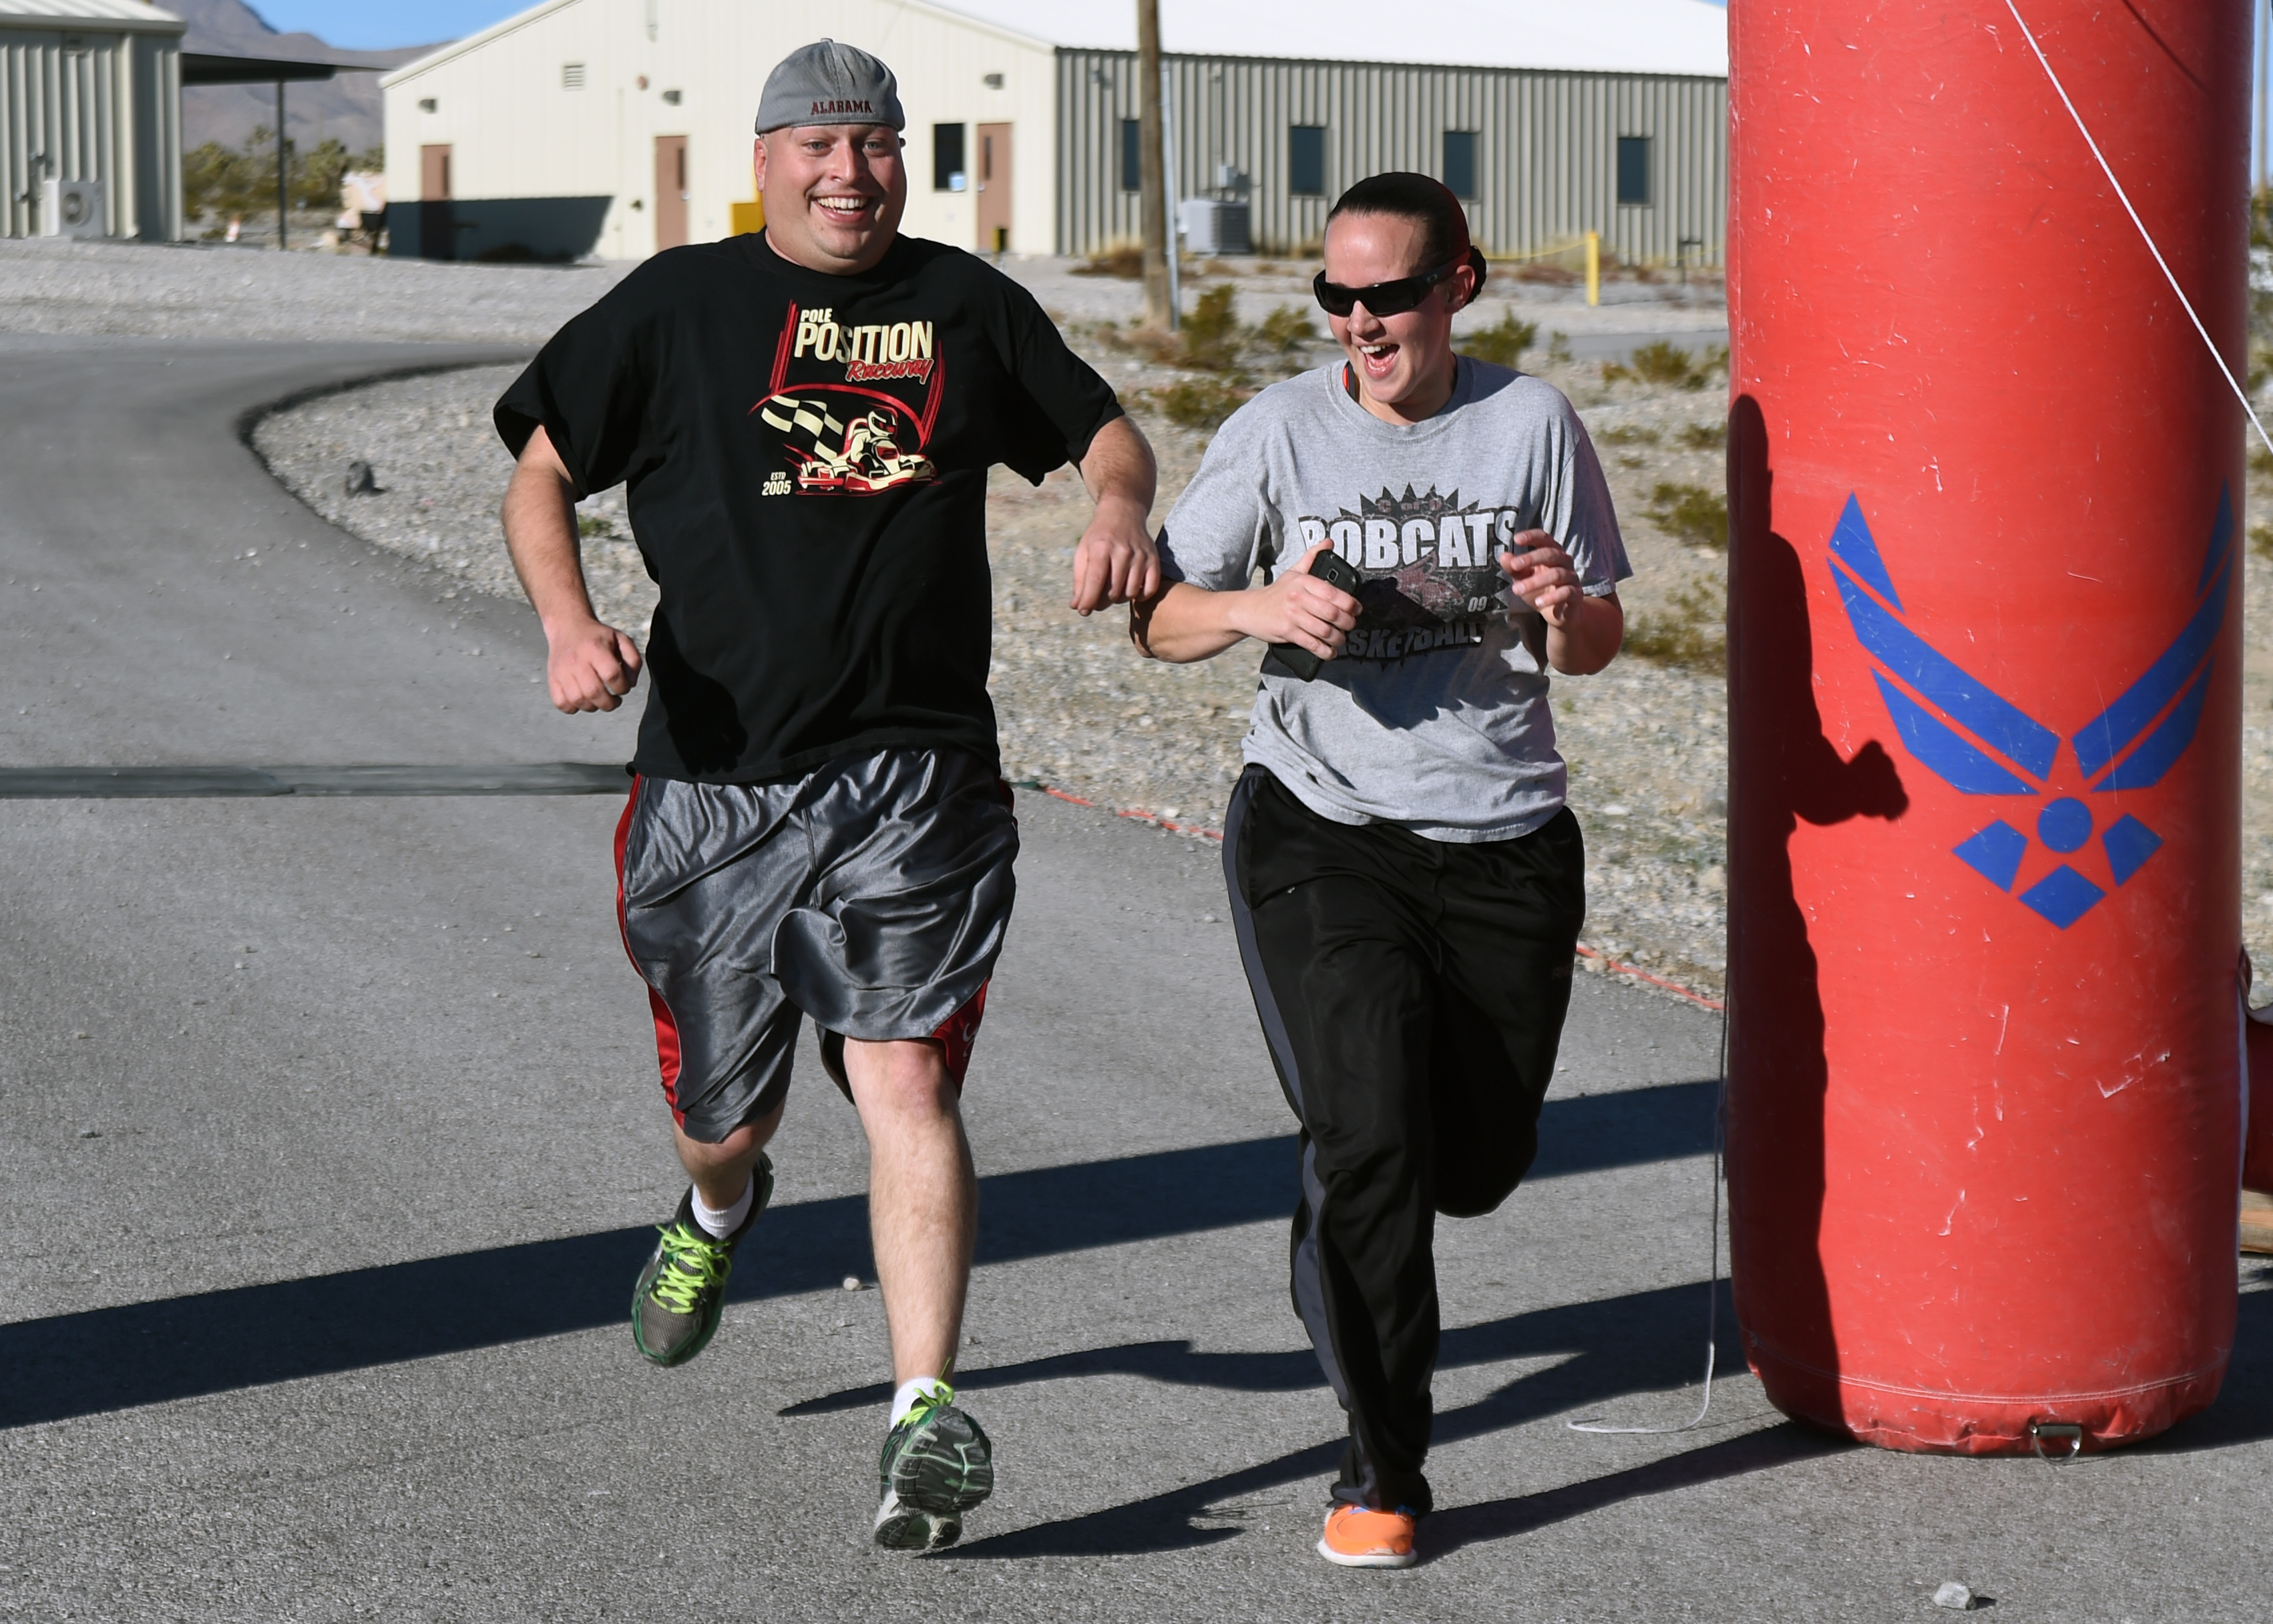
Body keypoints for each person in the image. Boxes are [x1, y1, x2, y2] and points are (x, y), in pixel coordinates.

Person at [493, 39, 1157, 1553]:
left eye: (875, 145)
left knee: (906, 1079)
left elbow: (1107, 429)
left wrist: (1118, 501)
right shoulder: (677, 305)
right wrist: (564, 617)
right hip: (713, 786)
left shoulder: (966, 306)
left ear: (902, 159)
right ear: (768, 156)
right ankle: (721, 1213)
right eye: (820, 146)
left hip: (918, 772)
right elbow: (539, 472)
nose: (850, 174)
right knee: (720, 1115)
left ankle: (921, 1414)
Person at [1130, 172, 1628, 1568]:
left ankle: (1358, 1189)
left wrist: (1561, 607)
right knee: (1371, 1139)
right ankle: (1384, 1467)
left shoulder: (1529, 423)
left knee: (1471, 1162)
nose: (1359, 322)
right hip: (1321, 828)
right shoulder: (1279, 430)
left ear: (1456, 285)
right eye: (1334, 297)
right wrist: (1249, 605)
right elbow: (1157, 622)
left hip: (1508, 840)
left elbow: (1597, 643)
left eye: (1386, 295)